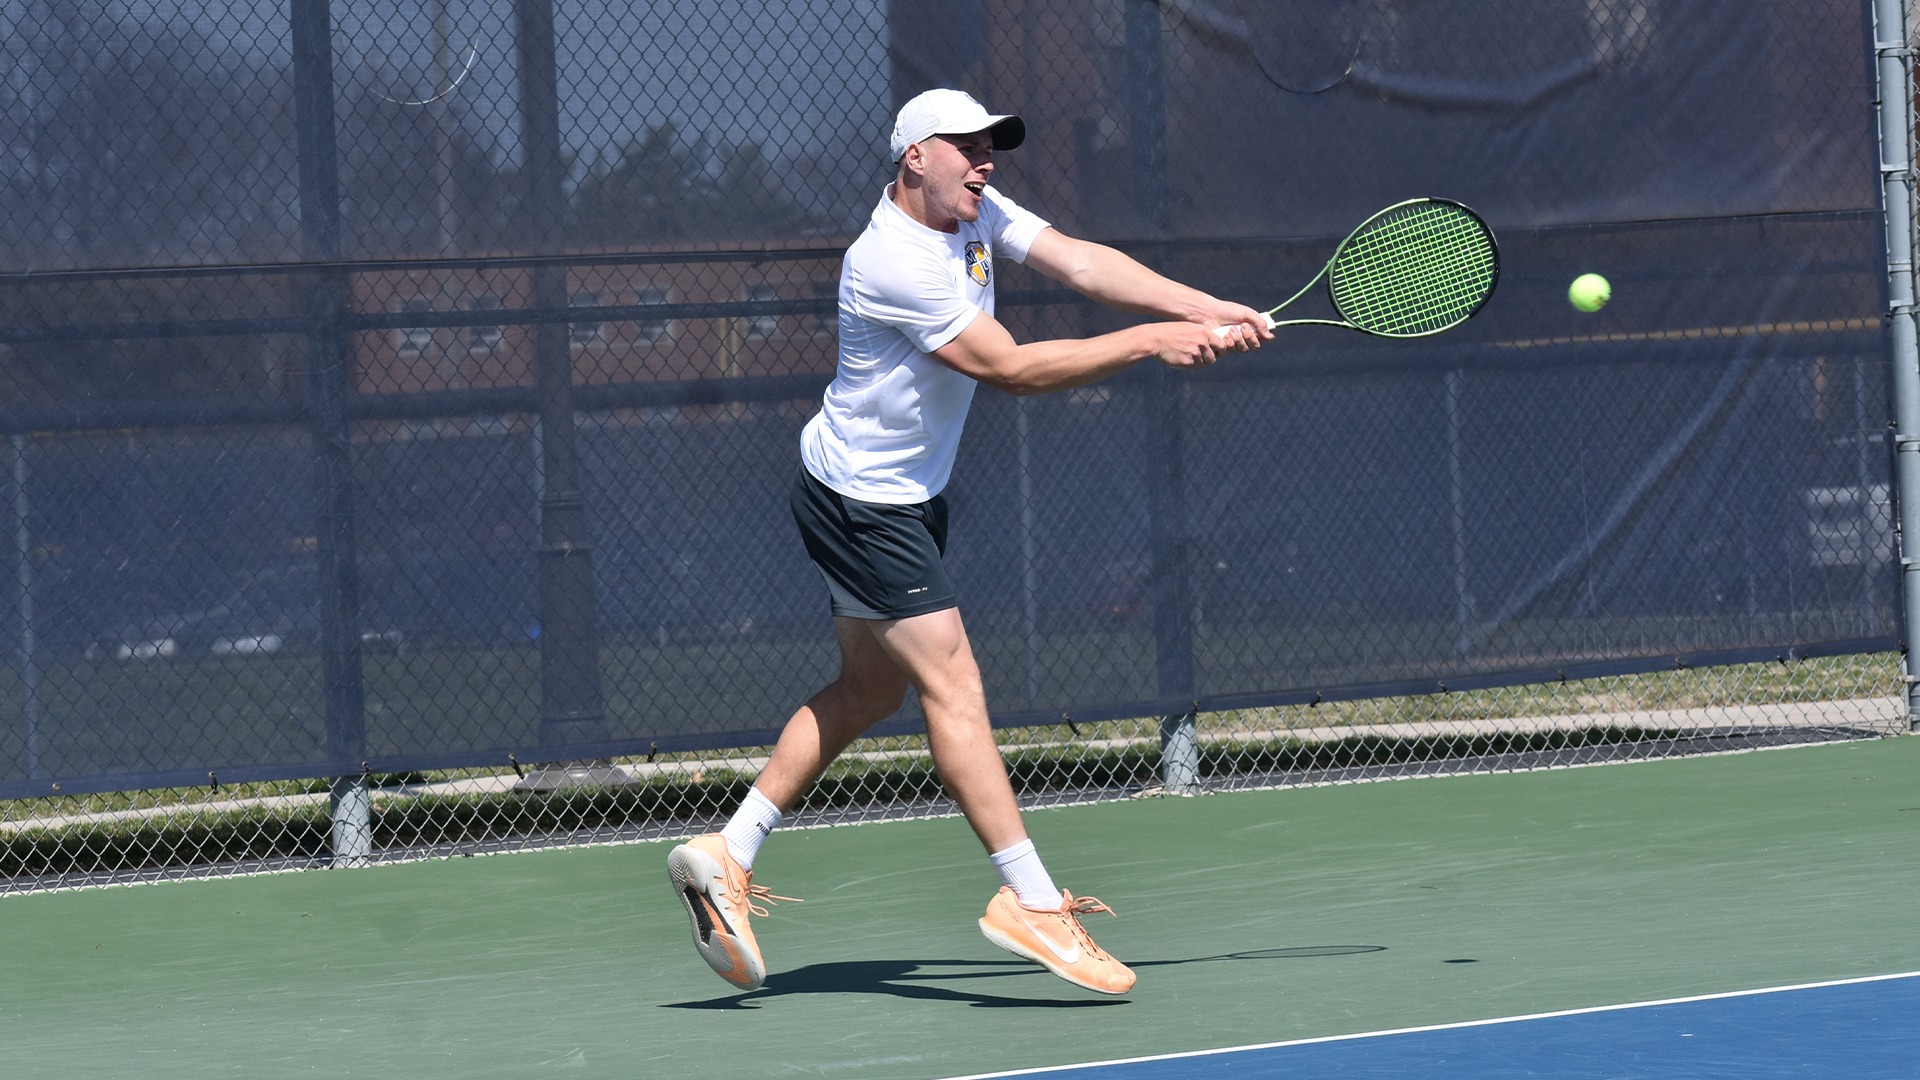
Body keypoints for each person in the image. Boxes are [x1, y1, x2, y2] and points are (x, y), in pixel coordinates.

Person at [667, 88, 1271, 996]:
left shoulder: (975, 214)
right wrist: (1153, 341)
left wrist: (1203, 305)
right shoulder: (891, 261)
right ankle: (1029, 901)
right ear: (916, 156)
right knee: (955, 685)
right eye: (968, 147)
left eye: (994, 147)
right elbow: (1012, 369)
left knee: (869, 689)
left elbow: (1080, 262)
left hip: (896, 497)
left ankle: (728, 849)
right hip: (864, 503)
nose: (986, 162)